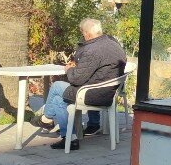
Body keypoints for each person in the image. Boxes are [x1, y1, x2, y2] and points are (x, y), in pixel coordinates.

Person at [42, 18, 127, 151]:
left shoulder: (92, 50)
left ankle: (46, 118)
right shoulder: (115, 45)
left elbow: (76, 79)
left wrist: (69, 69)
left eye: (82, 33)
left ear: (87, 33)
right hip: (109, 92)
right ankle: (70, 139)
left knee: (57, 86)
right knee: (58, 100)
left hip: (93, 94)